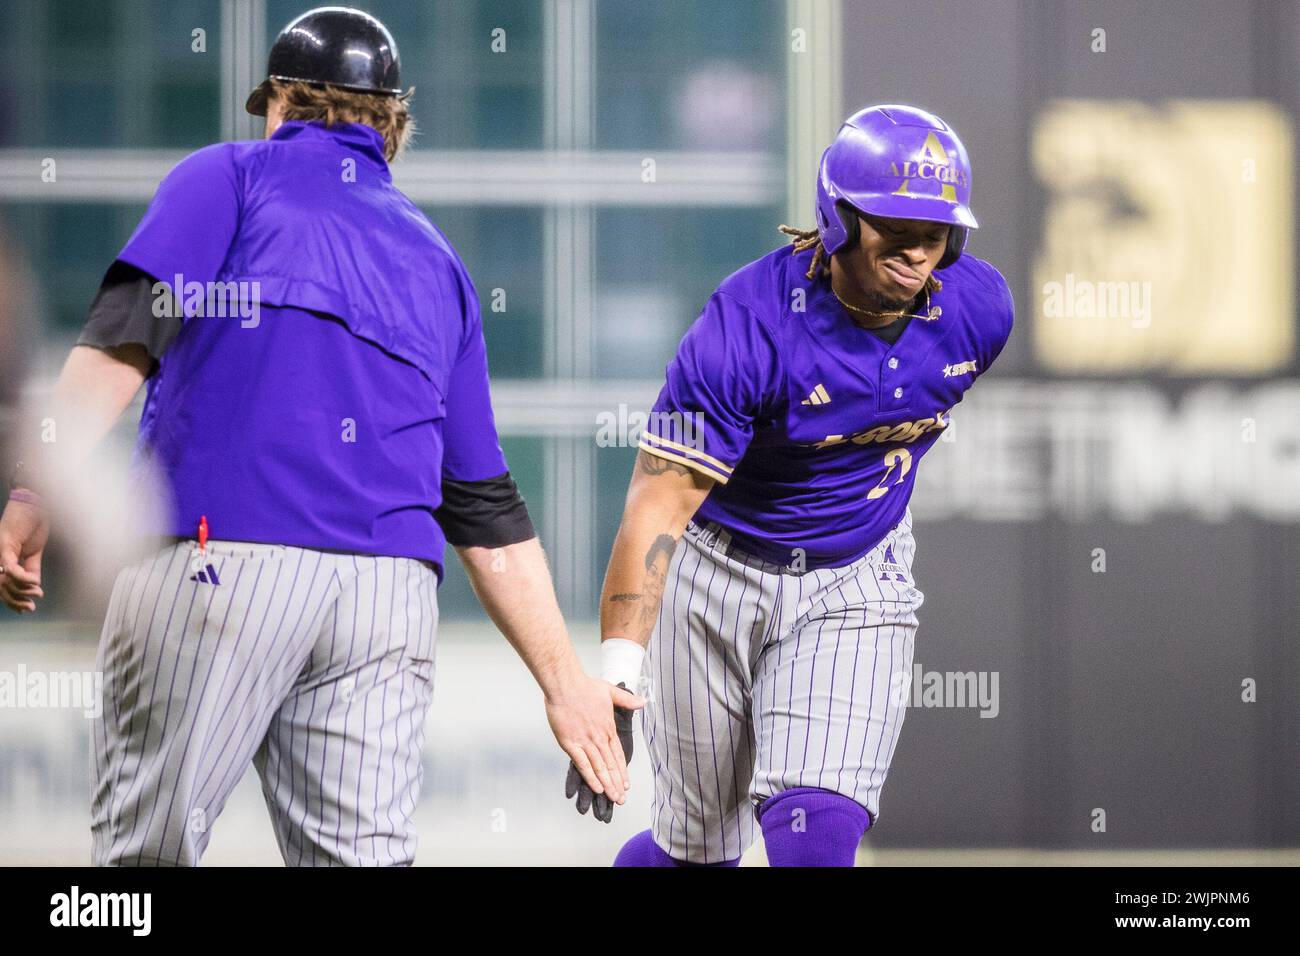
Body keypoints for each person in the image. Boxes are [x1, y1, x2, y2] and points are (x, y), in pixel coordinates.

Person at [0, 5, 639, 867]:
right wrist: (568, 689)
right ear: (389, 127)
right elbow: (487, 512)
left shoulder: (228, 176)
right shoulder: (439, 262)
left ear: (282, 105)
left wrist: (38, 490)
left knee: (142, 870)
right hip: (386, 601)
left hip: (219, 562)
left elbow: (128, 332)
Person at [566, 104, 1013, 867]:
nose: (916, 254)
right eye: (894, 230)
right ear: (837, 221)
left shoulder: (978, 310)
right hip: (716, 570)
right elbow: (659, 506)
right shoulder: (746, 326)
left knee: (818, 826)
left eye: (933, 234)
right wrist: (616, 670)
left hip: (856, 575)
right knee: (695, 850)